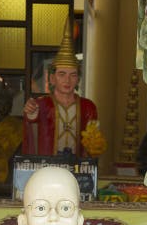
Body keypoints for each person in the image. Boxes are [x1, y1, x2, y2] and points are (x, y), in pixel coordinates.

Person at [22, 19, 98, 157]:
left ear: (78, 79)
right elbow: (32, 124)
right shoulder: (42, 104)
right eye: (61, 74)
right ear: (52, 78)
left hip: (77, 167)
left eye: (73, 75)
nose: (67, 80)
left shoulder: (88, 107)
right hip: (48, 168)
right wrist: (31, 114)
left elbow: (92, 144)